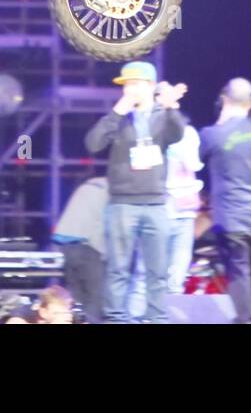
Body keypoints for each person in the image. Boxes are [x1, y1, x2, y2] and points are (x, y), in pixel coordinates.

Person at [83, 61, 187, 324]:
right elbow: (93, 144)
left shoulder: (163, 117)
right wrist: (117, 112)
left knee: (157, 270)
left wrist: (172, 107)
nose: (128, 90)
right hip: (122, 204)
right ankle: (116, 318)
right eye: (125, 85)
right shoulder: (118, 119)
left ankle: (156, 317)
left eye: (134, 84)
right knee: (118, 268)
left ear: (150, 86)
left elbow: (177, 135)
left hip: (154, 204)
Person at [198, 78, 251, 324]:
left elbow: (199, 158)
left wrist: (221, 121)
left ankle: (245, 320)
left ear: (224, 100)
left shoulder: (212, 134)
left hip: (231, 219)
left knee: (239, 273)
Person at [129, 124, 204, 318]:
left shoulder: (188, 132)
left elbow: (195, 164)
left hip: (184, 214)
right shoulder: (147, 131)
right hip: (156, 212)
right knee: (144, 277)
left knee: (175, 280)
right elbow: (138, 169)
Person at [51, 175, 108, 323]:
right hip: (88, 246)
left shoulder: (88, 185)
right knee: (95, 298)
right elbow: (105, 225)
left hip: (65, 244)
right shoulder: (112, 191)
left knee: (75, 298)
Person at [4, 285, 76, 324]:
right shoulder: (26, 312)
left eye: (66, 312)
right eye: (57, 313)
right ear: (43, 312)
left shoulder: (74, 316)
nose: (64, 317)